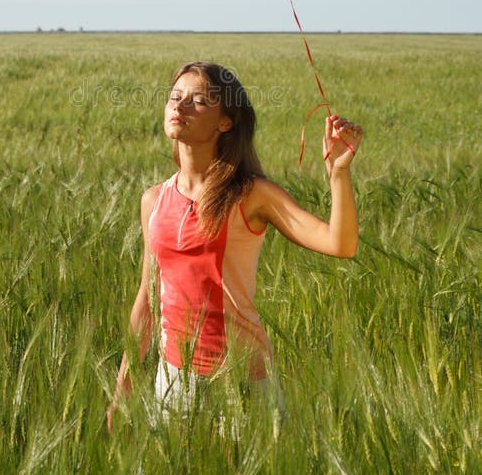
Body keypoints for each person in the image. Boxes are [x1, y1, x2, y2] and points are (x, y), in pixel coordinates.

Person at [107, 61, 362, 430]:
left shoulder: (251, 195)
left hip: (242, 384)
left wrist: (339, 173)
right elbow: (147, 302)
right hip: (172, 382)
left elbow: (341, 244)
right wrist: (122, 391)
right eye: (174, 97)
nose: (179, 107)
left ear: (225, 122)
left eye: (198, 101)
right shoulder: (154, 200)